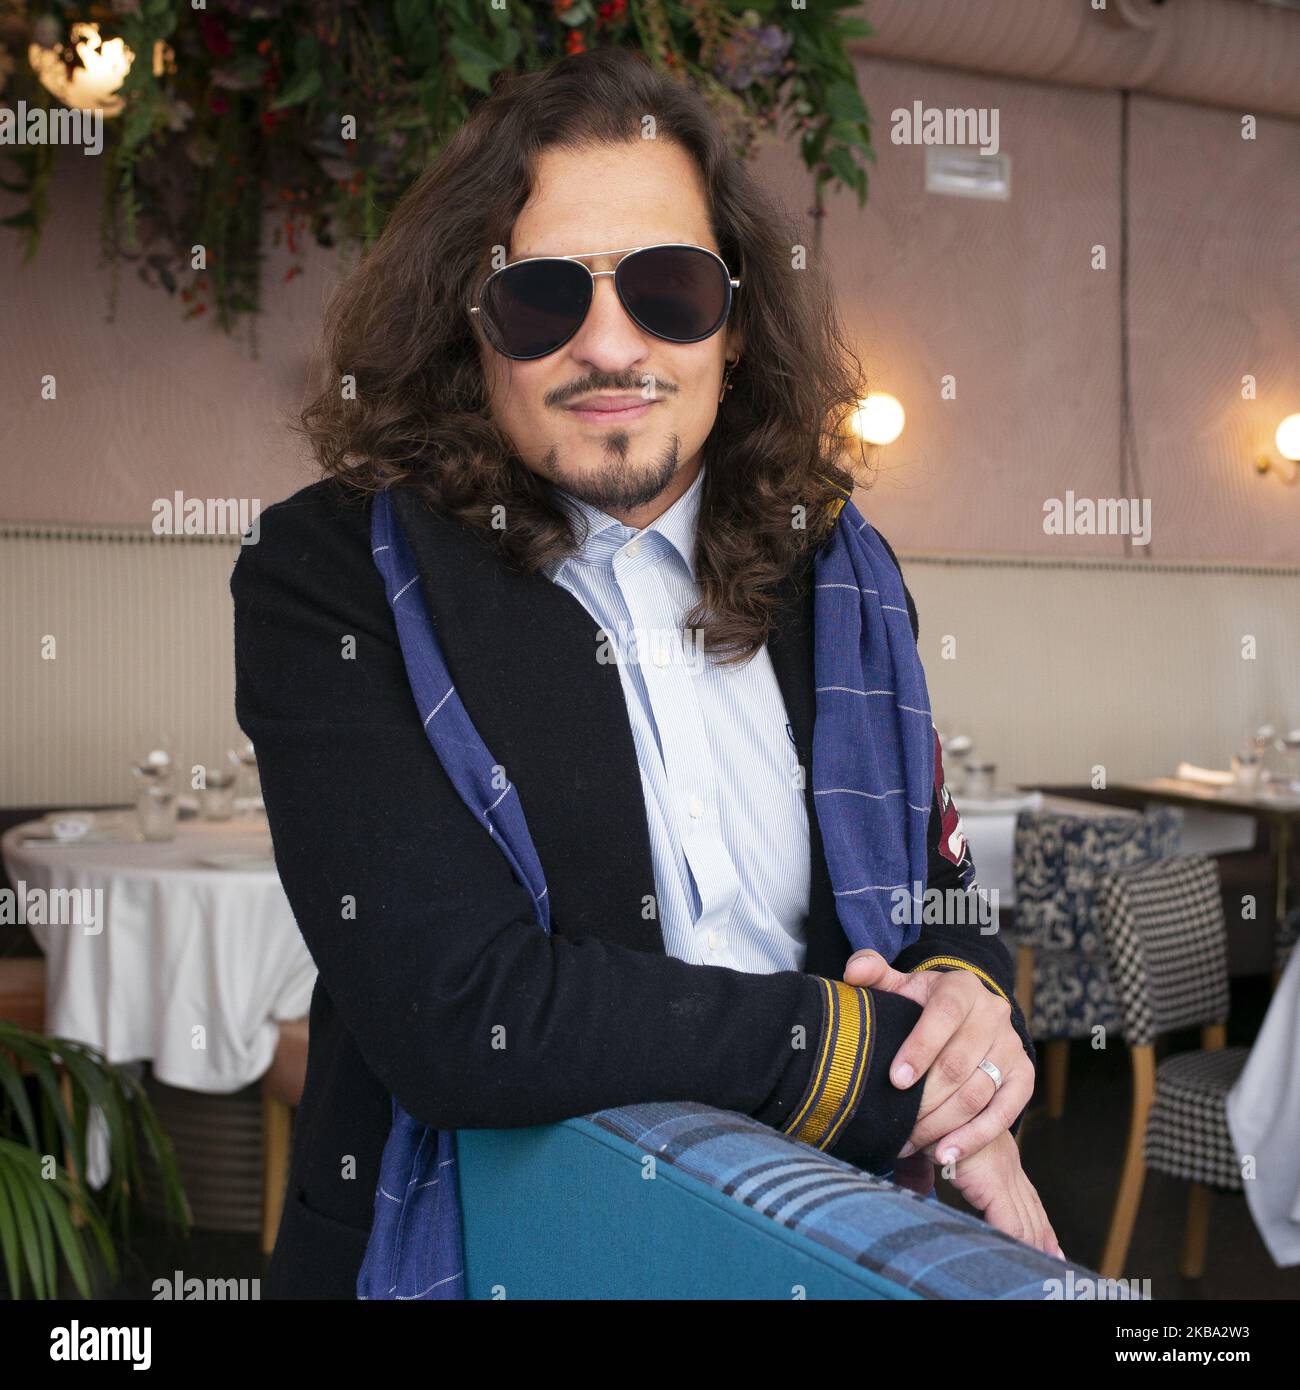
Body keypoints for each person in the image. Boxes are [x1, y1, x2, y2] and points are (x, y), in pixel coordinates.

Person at [232, 46, 1059, 1299]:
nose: (609, 343)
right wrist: (880, 1064)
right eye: (541, 296)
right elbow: (464, 1015)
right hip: (502, 1241)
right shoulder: (333, 570)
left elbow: (933, 888)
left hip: (816, 1232)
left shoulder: (837, 570)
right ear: (468, 323)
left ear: (734, 322)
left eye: (669, 288)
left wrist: (965, 1006)